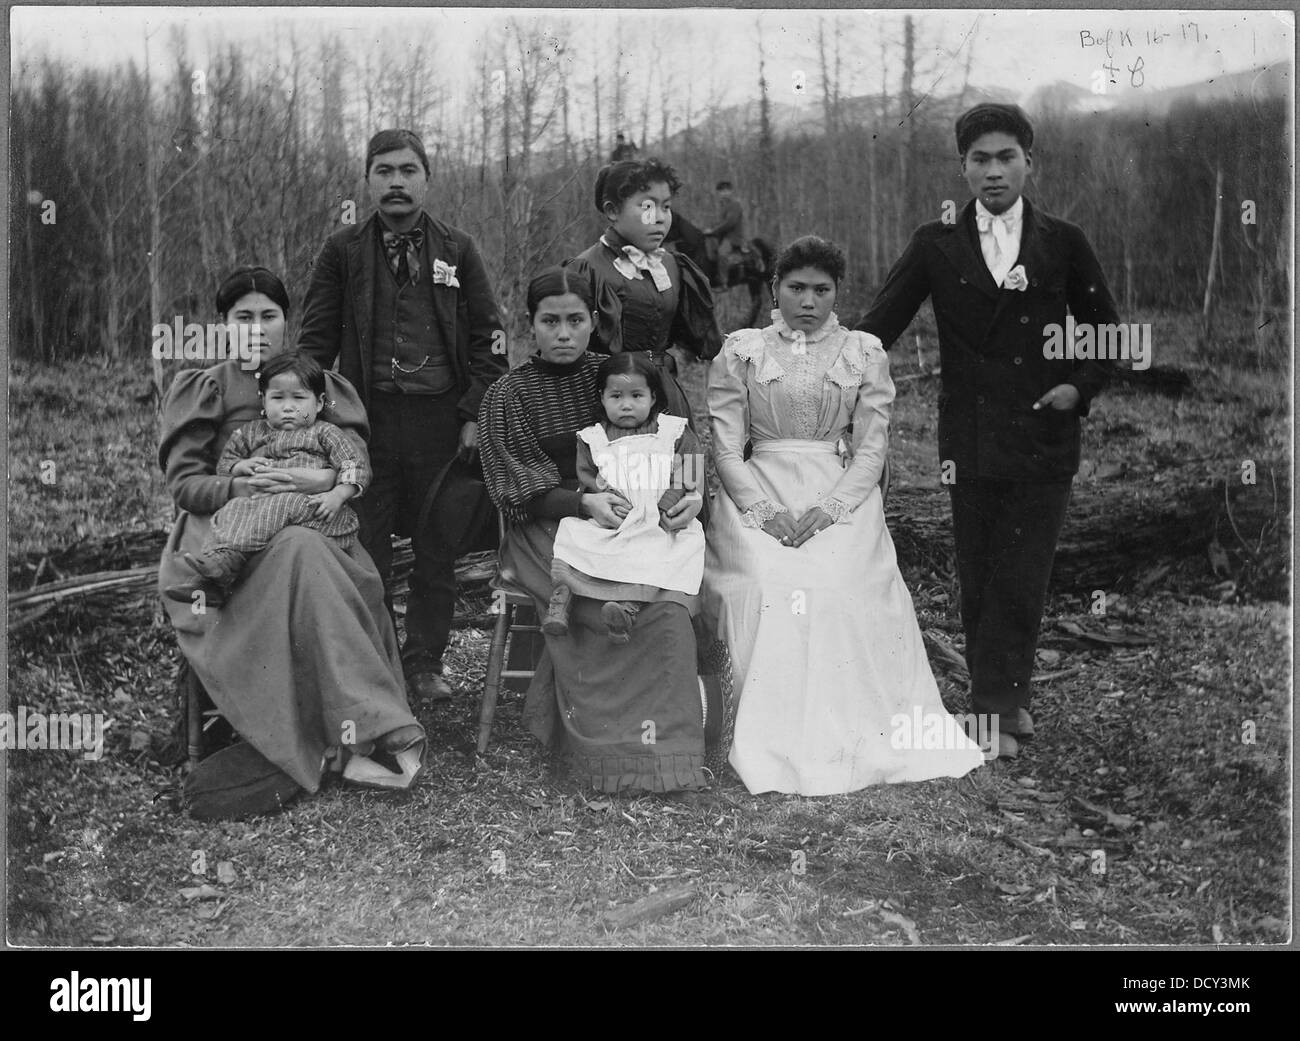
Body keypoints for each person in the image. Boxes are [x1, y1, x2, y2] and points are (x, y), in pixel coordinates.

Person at [855, 103, 1118, 758]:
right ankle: (992, 696)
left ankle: (1002, 703)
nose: (993, 171)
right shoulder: (934, 242)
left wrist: (1077, 388)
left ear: (1030, 161)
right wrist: (809, 367)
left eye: (1006, 157)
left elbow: (1105, 330)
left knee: (1023, 573)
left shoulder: (1065, 241)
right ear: (962, 166)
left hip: (1044, 434)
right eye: (980, 159)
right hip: (968, 441)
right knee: (979, 570)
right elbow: (877, 327)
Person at [702, 236, 985, 796]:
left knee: (837, 583)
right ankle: (766, 735)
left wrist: (831, 510)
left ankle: (851, 735)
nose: (808, 301)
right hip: (759, 486)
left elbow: (872, 450)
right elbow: (727, 447)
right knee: (768, 581)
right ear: (774, 289)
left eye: (821, 290)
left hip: (839, 492)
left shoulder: (863, 351)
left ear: (838, 292)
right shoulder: (743, 349)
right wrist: (762, 511)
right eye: (795, 288)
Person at [158, 266, 425, 793]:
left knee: (308, 552)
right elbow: (186, 485)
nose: (257, 328)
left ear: (288, 321)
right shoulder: (204, 385)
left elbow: (352, 464)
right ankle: (346, 731)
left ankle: (357, 730)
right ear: (223, 325)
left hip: (316, 521)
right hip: (224, 533)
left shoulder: (315, 385)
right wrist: (244, 488)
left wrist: (317, 479)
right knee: (299, 554)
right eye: (243, 317)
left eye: (269, 316)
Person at [478, 266, 708, 793]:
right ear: (528, 324)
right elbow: (510, 480)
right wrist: (583, 503)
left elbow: (684, 443)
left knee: (666, 605)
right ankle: (603, 752)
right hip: (550, 520)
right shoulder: (508, 394)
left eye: (576, 320)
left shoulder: (624, 375)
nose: (563, 333)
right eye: (550, 321)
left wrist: (691, 500)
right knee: (589, 596)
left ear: (593, 321)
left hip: (642, 515)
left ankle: (667, 753)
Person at [299, 128, 506, 702]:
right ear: (367, 180)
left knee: (436, 549)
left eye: (408, 170)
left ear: (426, 178)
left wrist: (473, 413)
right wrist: (309, 414)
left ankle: (424, 663)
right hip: (366, 427)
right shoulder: (342, 252)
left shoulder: (458, 248)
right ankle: (381, 667)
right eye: (384, 171)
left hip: (442, 425)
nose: (396, 182)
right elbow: (315, 343)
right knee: (367, 549)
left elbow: (490, 340)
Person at [165, 351, 367, 605]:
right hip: (263, 505)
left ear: (318, 403)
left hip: (316, 508)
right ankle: (216, 574)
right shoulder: (252, 433)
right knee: (235, 507)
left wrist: (337, 494)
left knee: (282, 504)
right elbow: (225, 465)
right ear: (263, 401)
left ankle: (227, 562)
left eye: (299, 398)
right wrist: (241, 465)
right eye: (278, 398)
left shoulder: (325, 433)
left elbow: (353, 465)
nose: (288, 407)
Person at [545, 351, 705, 643]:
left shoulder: (675, 431)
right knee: (574, 535)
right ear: (602, 398)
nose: (626, 405)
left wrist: (666, 506)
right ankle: (562, 597)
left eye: (636, 395)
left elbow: (690, 472)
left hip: (659, 516)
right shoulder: (594, 438)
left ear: (653, 397)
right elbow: (589, 477)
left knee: (664, 552)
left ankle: (627, 611)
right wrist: (609, 500)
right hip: (617, 513)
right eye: (616, 396)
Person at [565, 158, 722, 428]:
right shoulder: (586, 269)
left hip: (666, 396)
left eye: (667, 207)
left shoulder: (674, 266)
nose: (660, 217)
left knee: (685, 467)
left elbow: (703, 340)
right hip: (611, 404)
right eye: (648, 206)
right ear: (612, 211)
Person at [703, 180, 749, 290]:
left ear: (731, 192)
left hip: (733, 237)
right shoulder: (723, 206)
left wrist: (713, 231)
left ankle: (724, 283)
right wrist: (710, 229)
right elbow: (720, 222)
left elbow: (730, 223)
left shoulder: (735, 205)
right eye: (721, 191)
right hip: (722, 236)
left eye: (726, 191)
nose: (724, 193)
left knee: (722, 253)